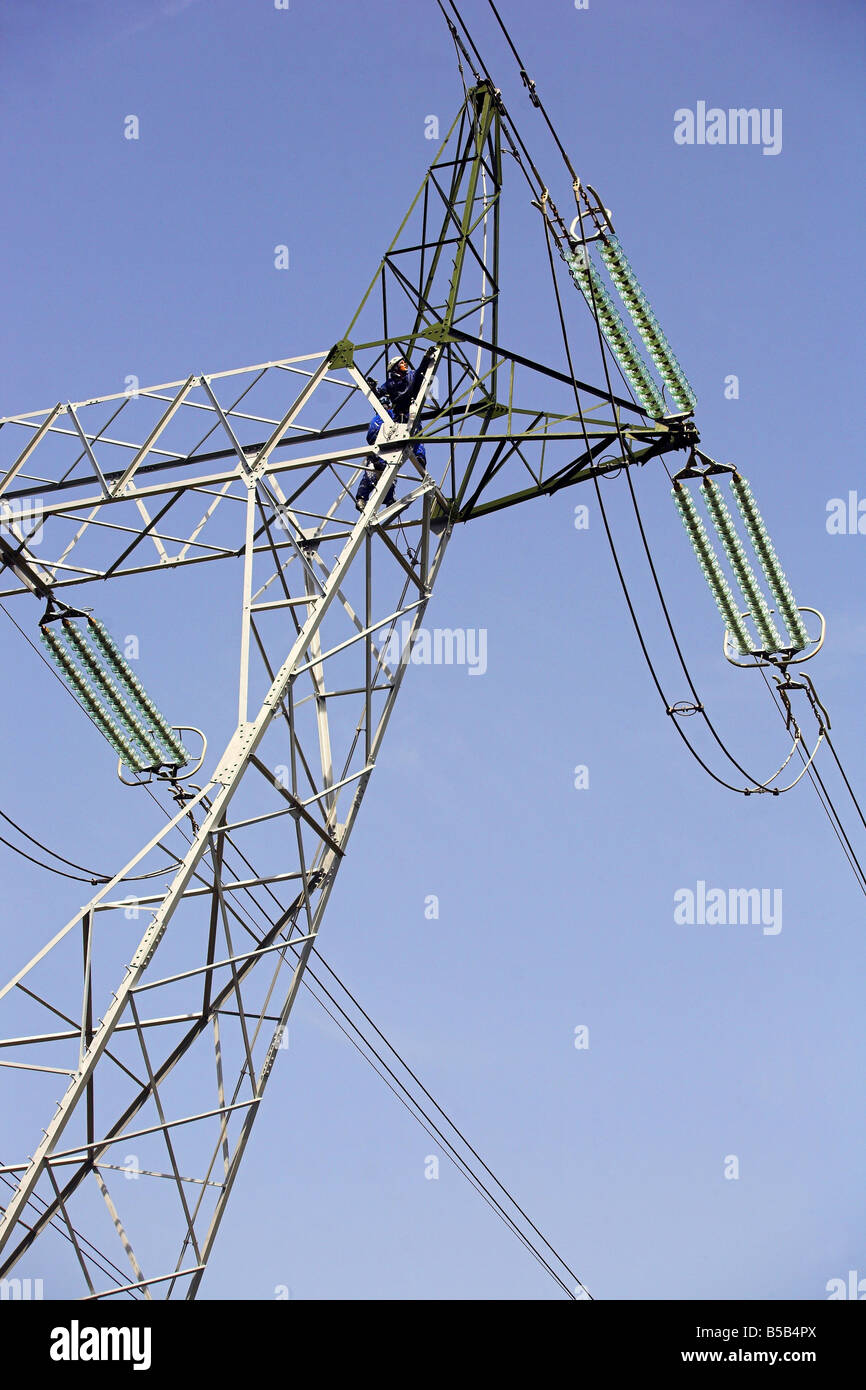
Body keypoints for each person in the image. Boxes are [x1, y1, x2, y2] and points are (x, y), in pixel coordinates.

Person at [355, 347, 435, 512]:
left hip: (407, 413)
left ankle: (418, 459)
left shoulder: (411, 377)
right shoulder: (390, 387)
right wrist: (373, 388)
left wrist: (427, 358)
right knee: (377, 468)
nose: (405, 365)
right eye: (402, 363)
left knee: (414, 434)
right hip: (396, 418)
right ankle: (367, 498)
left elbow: (420, 373)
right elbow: (380, 396)